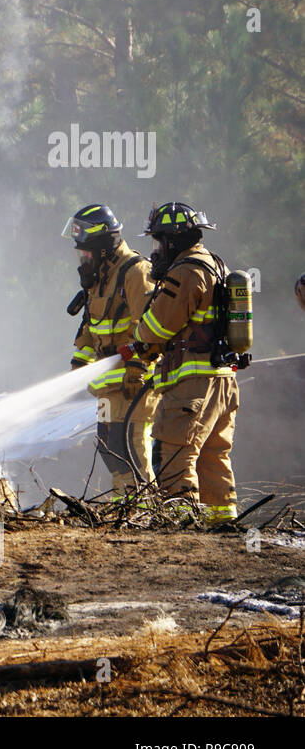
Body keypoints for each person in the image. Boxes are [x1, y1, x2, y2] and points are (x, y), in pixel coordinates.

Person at [120, 202, 239, 523]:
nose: (155, 252)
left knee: (172, 454)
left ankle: (181, 526)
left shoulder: (185, 271)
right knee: (212, 458)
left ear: (173, 241)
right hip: (222, 382)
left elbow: (158, 326)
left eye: (159, 243)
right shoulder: (215, 264)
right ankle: (222, 524)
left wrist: (140, 335)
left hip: (192, 387)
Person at [63, 204, 156, 495]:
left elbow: (149, 327)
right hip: (106, 387)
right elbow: (91, 327)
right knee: (108, 447)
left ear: (103, 247)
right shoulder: (99, 278)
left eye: (86, 251)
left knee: (132, 447)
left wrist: (137, 367)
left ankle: (146, 509)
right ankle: (125, 504)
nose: (82, 258)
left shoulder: (136, 271)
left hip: (134, 382)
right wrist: (79, 362)